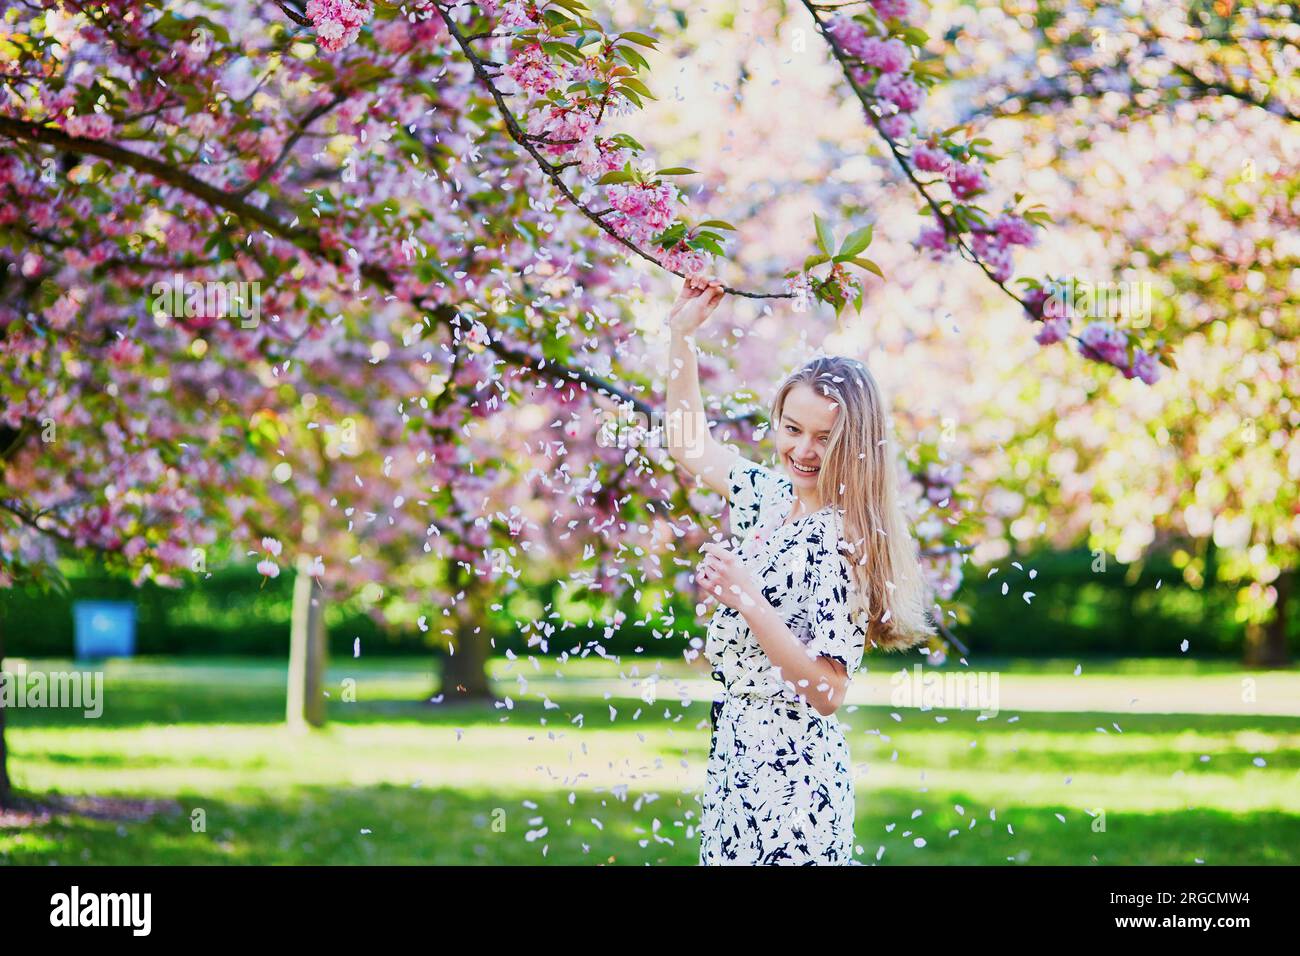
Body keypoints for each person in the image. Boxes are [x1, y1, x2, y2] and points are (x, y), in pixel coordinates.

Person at [665, 275, 935, 865]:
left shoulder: (848, 539)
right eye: (792, 429)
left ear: (857, 441)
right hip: (736, 762)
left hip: (794, 786)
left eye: (825, 436)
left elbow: (827, 690)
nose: (803, 451)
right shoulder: (768, 493)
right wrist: (680, 336)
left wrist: (745, 598)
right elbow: (689, 445)